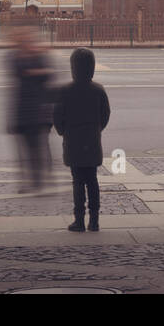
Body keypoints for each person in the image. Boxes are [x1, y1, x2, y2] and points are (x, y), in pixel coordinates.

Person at [52, 47, 111, 232]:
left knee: (77, 182)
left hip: (73, 141)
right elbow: (106, 113)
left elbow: (57, 116)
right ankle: (94, 220)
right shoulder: (98, 90)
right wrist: (97, 129)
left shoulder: (65, 90)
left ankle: (78, 219)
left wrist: (63, 132)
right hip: (92, 140)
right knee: (92, 180)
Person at [6, 24, 53, 192]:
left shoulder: (35, 56)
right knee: (24, 149)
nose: (24, 42)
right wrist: (37, 70)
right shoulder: (16, 57)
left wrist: (36, 70)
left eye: (25, 39)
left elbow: (48, 75)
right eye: (21, 39)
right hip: (22, 110)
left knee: (35, 147)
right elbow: (19, 71)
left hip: (36, 110)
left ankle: (38, 180)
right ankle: (30, 181)